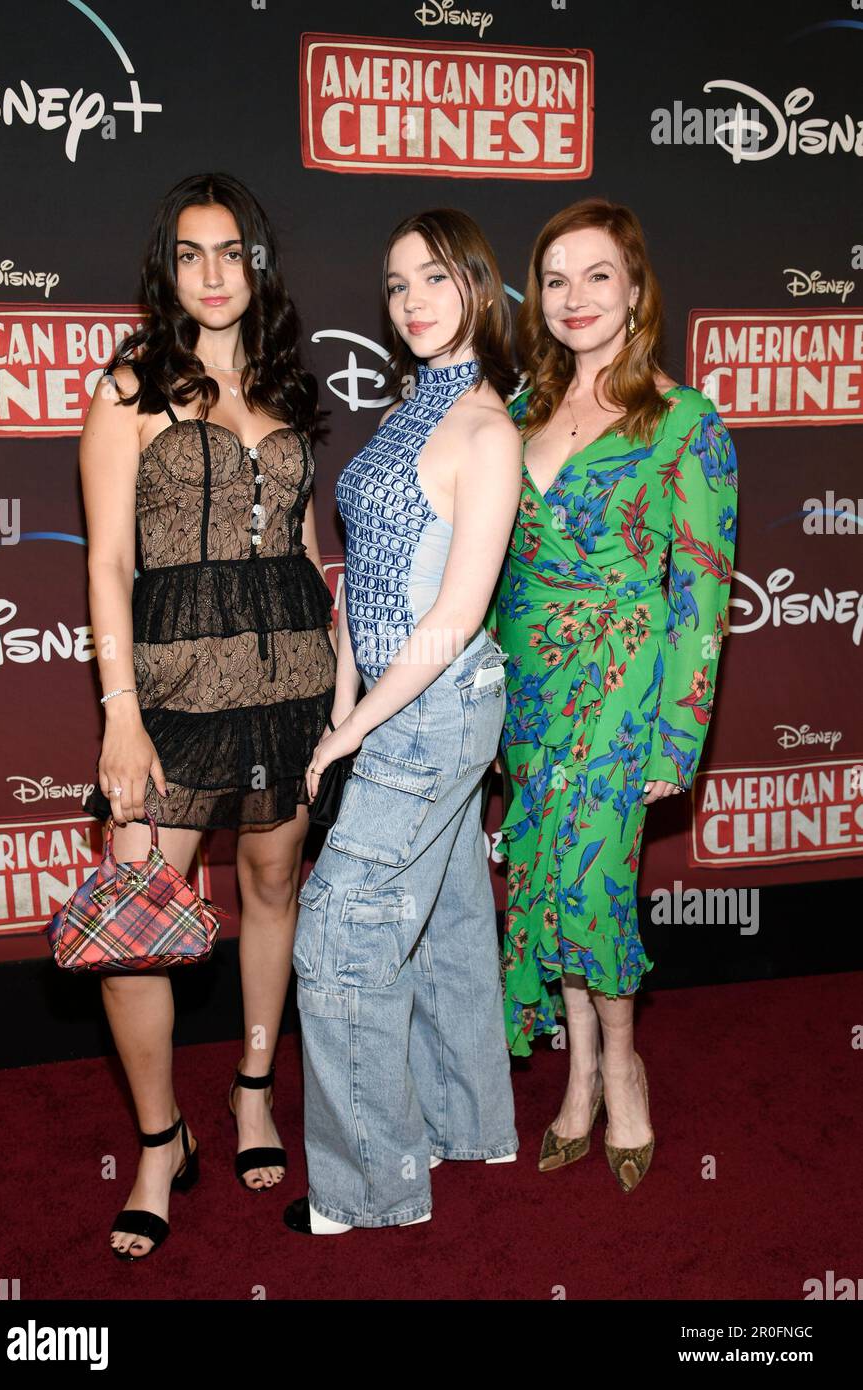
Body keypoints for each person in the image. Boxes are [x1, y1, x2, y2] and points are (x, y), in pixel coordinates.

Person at [79, 172, 336, 1258]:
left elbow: (309, 555)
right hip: (171, 697)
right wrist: (119, 714)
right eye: (191, 254)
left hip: (291, 683)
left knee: (273, 887)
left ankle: (250, 1087)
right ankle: (157, 1138)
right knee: (133, 933)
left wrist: (349, 696)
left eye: (231, 251)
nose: (213, 274)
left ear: (257, 265)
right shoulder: (130, 386)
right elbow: (105, 562)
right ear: (167, 270)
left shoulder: (287, 387)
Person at [283, 209, 522, 1235]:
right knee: (450, 919)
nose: (414, 300)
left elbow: (455, 614)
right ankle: (471, 1124)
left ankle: (372, 1186)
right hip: (393, 700)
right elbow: (364, 582)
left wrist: (351, 734)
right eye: (396, 285)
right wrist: (342, 696)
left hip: (434, 709)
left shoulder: (484, 427)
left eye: (435, 278)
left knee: (336, 937)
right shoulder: (403, 413)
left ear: (477, 283)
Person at [490, 198, 738, 1191]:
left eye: (599, 275)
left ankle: (619, 1066)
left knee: (596, 882)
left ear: (637, 290)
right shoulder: (514, 414)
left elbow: (702, 597)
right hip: (528, 687)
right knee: (547, 874)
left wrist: (679, 738)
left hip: (625, 685)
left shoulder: (686, 422)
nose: (576, 297)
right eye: (555, 279)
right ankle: (579, 1062)